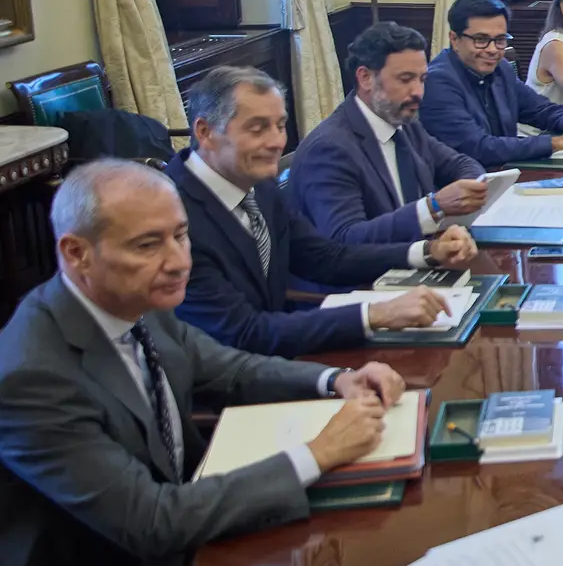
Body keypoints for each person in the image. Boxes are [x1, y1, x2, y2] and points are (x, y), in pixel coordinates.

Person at [0, 160, 406, 566]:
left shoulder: (136, 300)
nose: (178, 262)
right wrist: (318, 453)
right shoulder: (31, 377)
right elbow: (152, 522)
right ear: (77, 254)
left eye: (181, 235)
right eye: (147, 245)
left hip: (198, 521)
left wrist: (336, 380)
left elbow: (230, 369)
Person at [168, 66, 479, 358]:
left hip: (280, 357)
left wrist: (428, 252)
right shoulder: (172, 217)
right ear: (205, 132)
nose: (276, 142)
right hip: (230, 384)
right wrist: (374, 315)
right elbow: (244, 331)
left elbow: (326, 259)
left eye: (279, 126)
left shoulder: (256, 185)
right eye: (258, 128)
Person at [290, 22, 490, 244]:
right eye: (405, 80)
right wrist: (432, 208)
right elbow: (345, 239)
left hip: (417, 260)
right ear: (365, 78)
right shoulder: (329, 148)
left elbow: (460, 163)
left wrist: (471, 190)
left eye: (422, 79)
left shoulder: (405, 122)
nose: (418, 92)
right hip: (366, 276)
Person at [420, 0, 563, 168]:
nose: (493, 49)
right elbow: (478, 147)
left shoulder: (500, 68)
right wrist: (559, 143)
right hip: (462, 190)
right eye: (481, 40)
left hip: (504, 175)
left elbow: (538, 108)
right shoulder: (437, 82)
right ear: (454, 39)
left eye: (500, 40)